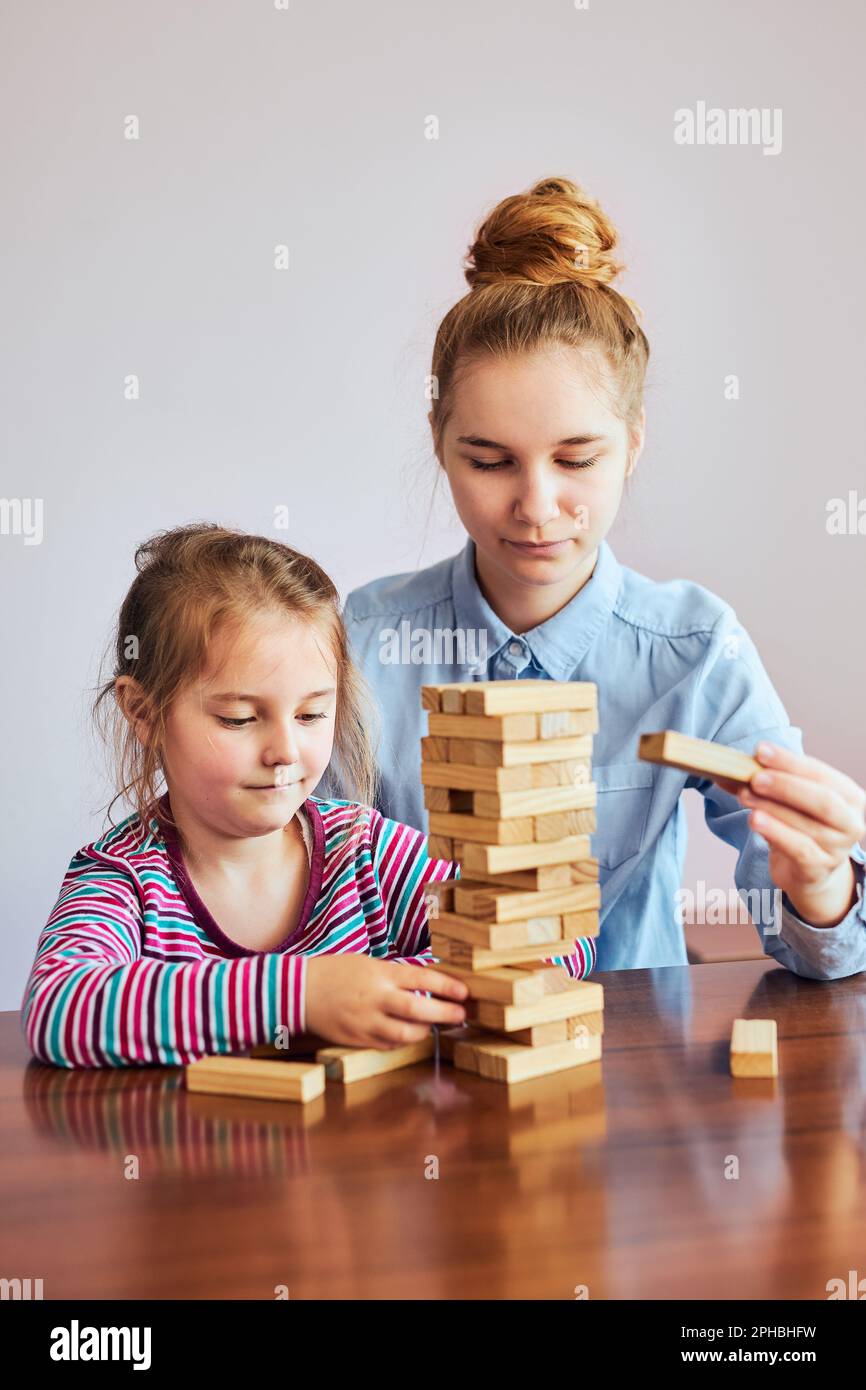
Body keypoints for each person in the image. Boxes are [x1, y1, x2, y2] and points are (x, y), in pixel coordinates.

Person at [328, 176, 866, 978]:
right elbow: (306, 896)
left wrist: (820, 887)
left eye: (577, 459)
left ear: (634, 443)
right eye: (490, 461)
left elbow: (819, 950)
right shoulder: (363, 643)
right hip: (423, 1067)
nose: (536, 508)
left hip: (625, 1064)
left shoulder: (693, 648)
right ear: (439, 442)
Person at [21, 524, 472, 1068]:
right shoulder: (125, 880)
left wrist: (392, 995)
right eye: (239, 719)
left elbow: (551, 941)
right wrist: (301, 997)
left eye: (310, 714)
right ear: (143, 713)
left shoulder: (369, 853)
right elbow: (59, 1009)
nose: (285, 750)